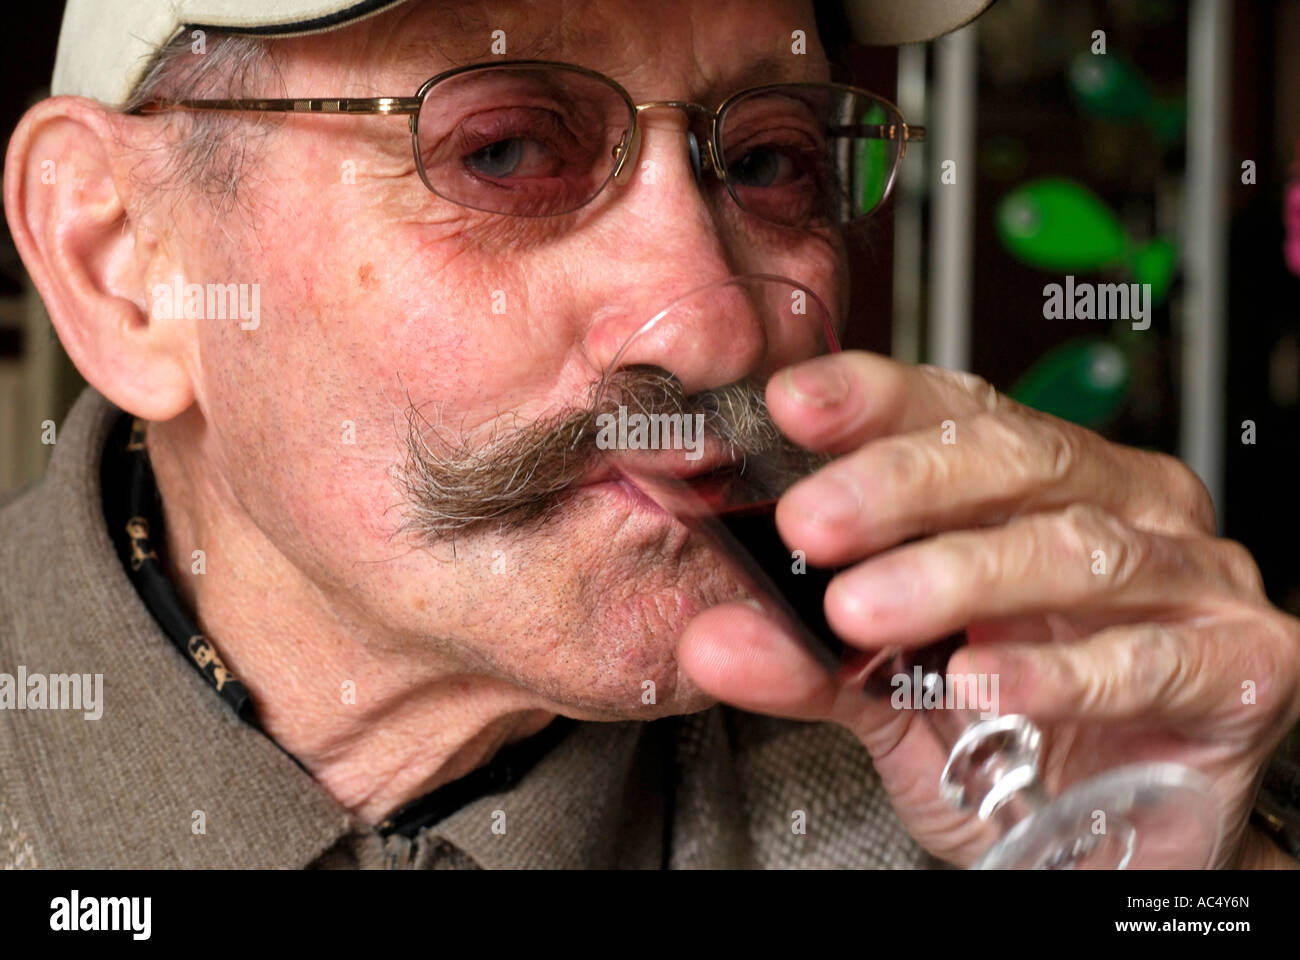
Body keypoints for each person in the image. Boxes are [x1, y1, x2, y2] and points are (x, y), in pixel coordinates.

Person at [2, 0, 1297, 869]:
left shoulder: (982, 781)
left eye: (774, 160)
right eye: (506, 152)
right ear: (123, 260)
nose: (717, 326)